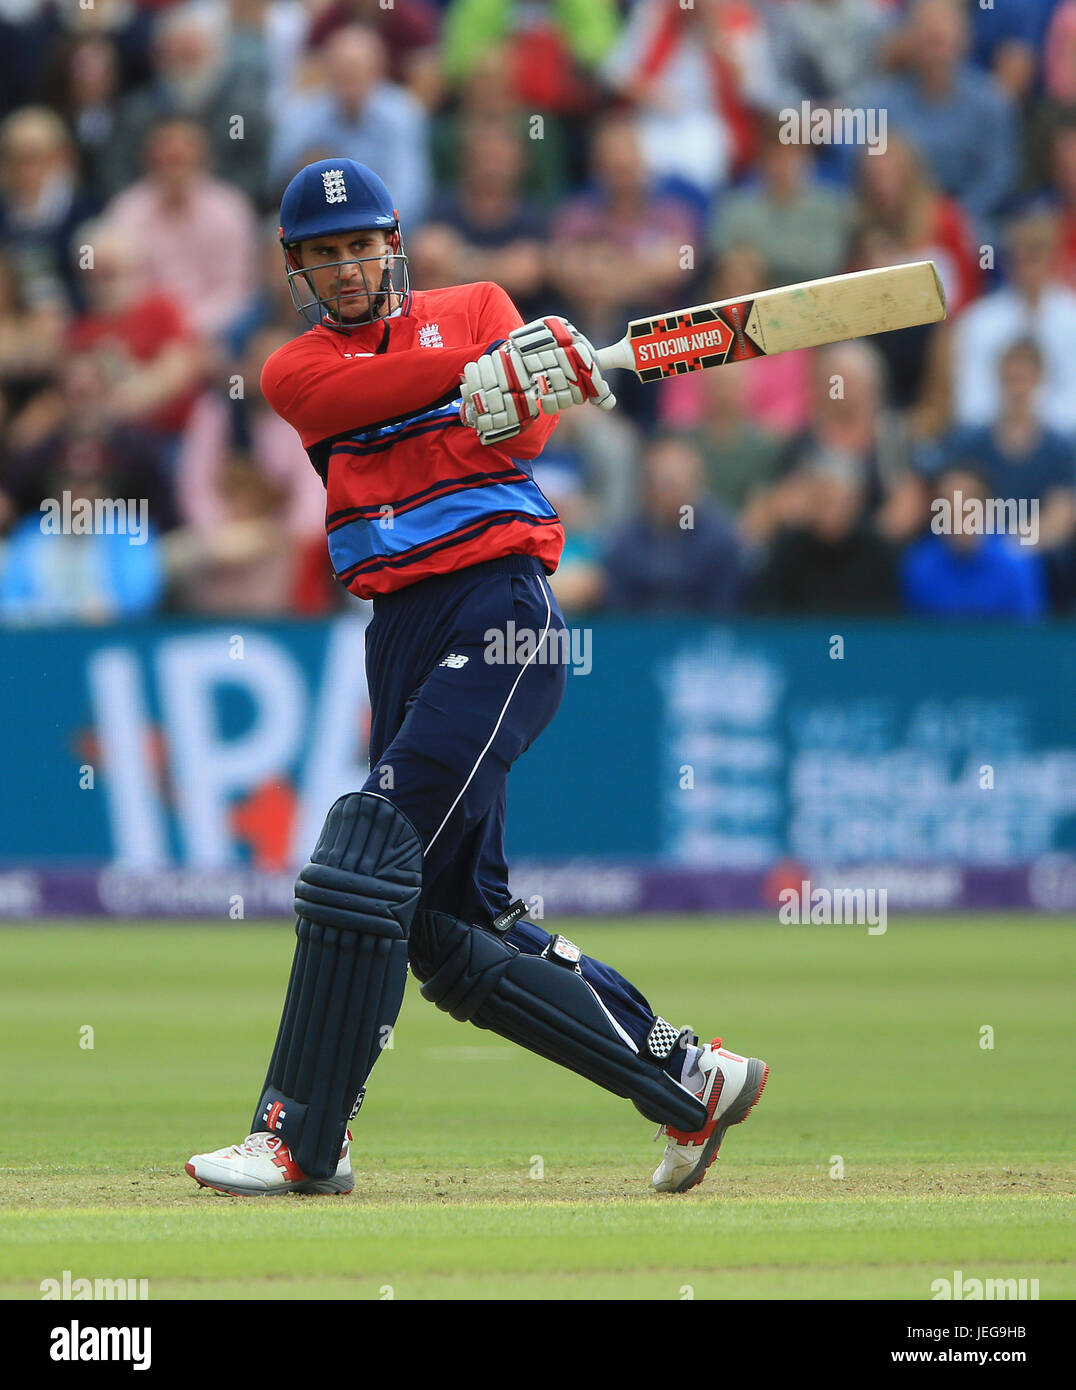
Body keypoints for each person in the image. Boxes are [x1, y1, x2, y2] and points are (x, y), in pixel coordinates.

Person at [185, 158, 768, 1199]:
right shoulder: (295, 371)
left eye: (364, 245)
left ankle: (297, 1139)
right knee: (451, 933)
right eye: (326, 254)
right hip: (398, 632)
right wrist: (498, 364)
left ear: (393, 242)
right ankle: (690, 1078)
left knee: (362, 852)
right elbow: (369, 396)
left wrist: (531, 377)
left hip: (498, 616)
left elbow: (523, 431)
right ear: (298, 270)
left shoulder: (479, 307)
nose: (350, 267)